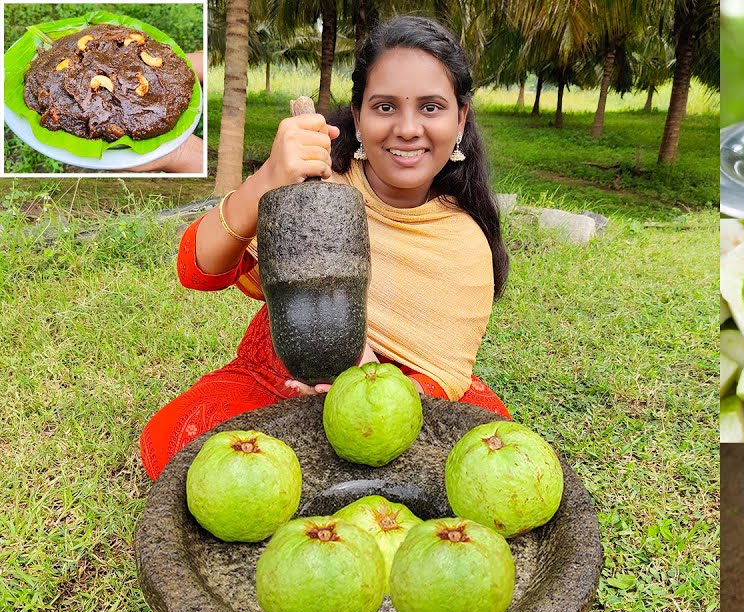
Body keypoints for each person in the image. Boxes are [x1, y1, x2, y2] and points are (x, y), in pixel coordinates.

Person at [140, 16, 510, 480]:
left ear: (461, 119)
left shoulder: (462, 240)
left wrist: (369, 383)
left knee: (482, 457)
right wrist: (267, 179)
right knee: (184, 440)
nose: (408, 128)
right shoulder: (315, 187)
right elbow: (197, 269)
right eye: (385, 107)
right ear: (358, 116)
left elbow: (442, 377)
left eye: (432, 108)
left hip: (392, 401)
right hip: (276, 379)